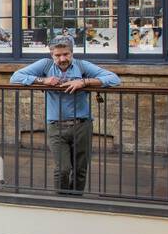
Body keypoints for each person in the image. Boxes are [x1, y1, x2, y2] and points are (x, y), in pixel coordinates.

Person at [9, 35, 121, 194]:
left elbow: (114, 79)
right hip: (55, 126)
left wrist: (83, 82)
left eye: (66, 54)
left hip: (82, 125)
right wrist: (43, 80)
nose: (62, 58)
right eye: (58, 55)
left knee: (80, 169)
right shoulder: (45, 65)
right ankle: (62, 202)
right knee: (62, 169)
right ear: (51, 55)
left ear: (72, 53)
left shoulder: (82, 66)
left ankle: (75, 200)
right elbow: (15, 78)